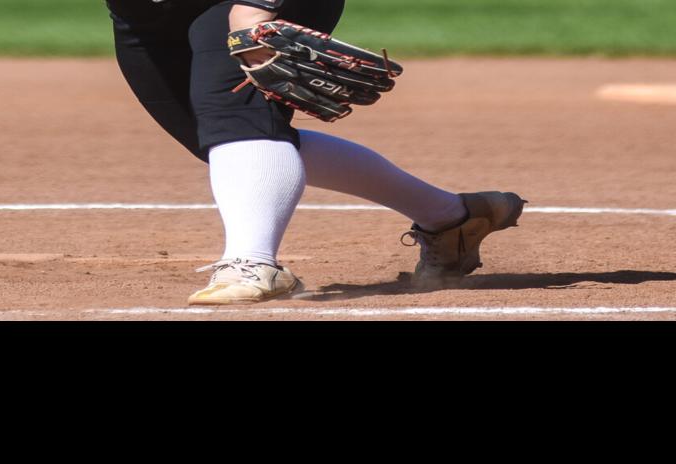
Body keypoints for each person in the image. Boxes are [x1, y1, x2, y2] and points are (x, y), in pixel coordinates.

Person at [107, 0, 526, 305]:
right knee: (222, 142)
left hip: (240, 5)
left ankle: (252, 264)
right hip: (142, 13)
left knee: (234, 117)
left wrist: (256, 7)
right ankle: (451, 218)